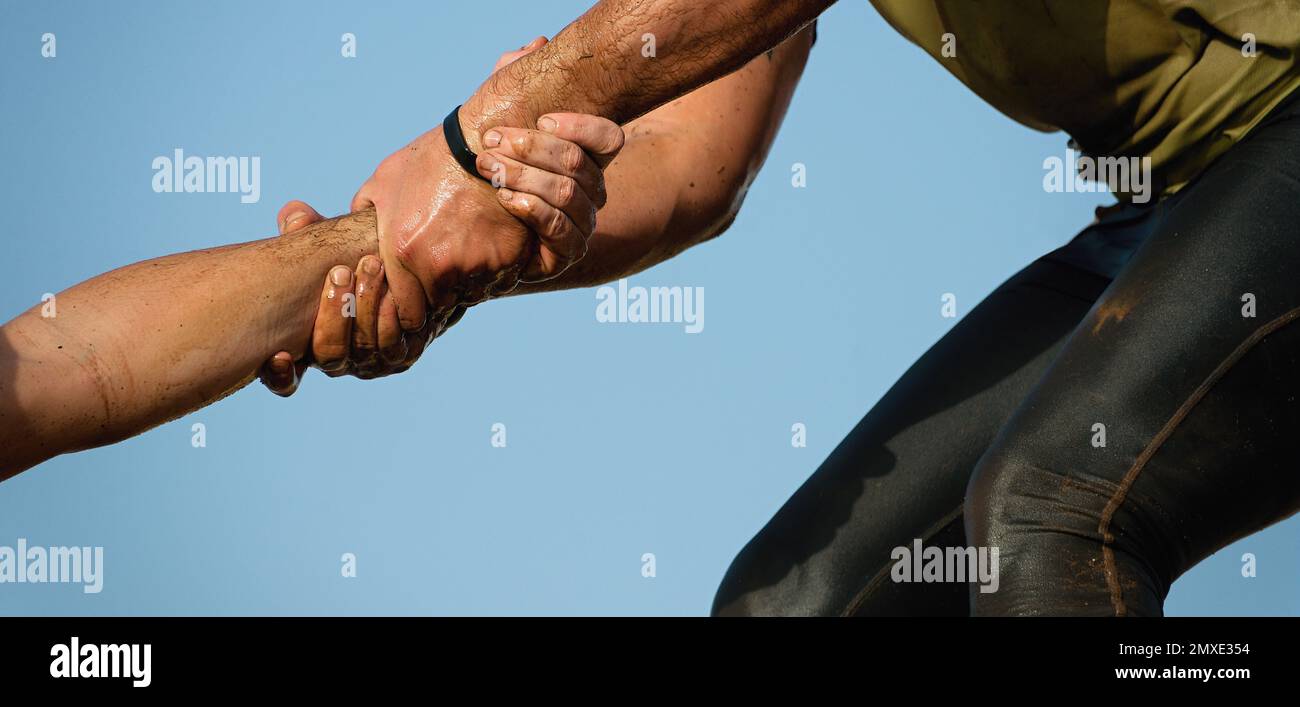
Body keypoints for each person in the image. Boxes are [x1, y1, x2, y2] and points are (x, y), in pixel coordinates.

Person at [288, 0, 1300, 616]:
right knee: (794, 601)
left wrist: (475, 140)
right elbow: (691, 165)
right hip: (1177, 199)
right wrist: (443, 250)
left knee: (1055, 511)